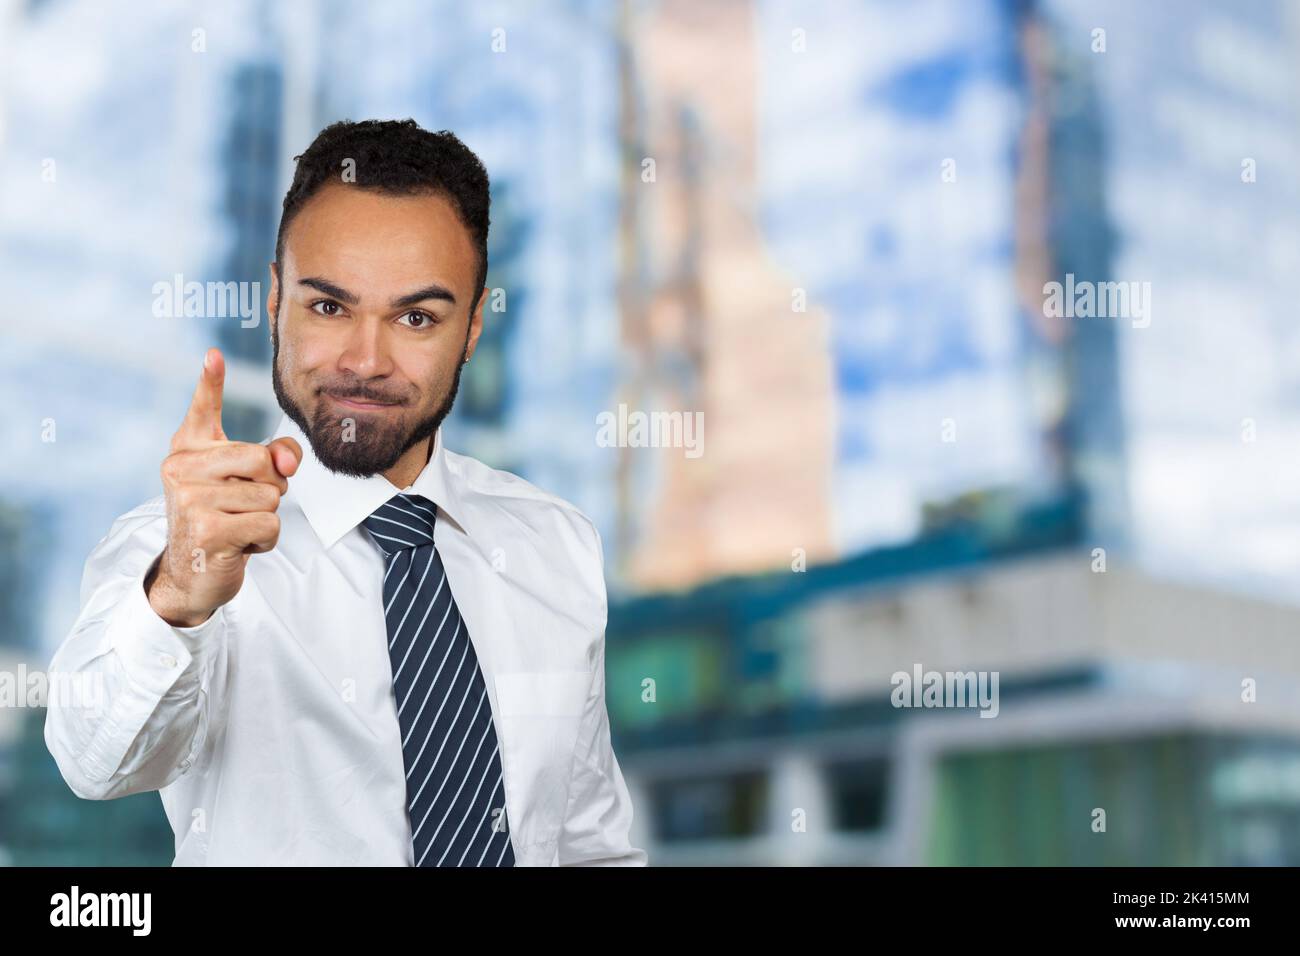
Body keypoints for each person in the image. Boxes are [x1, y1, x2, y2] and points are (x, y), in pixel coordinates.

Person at [43, 119, 647, 867]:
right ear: (274, 301)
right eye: (329, 307)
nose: (365, 360)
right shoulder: (178, 547)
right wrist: (179, 596)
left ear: (473, 329)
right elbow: (93, 761)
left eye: (417, 317)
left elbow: (586, 841)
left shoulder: (557, 543)